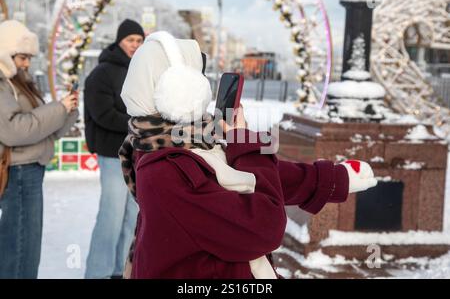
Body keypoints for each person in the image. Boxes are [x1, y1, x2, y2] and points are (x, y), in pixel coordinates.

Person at [118, 31, 378, 279]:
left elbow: (243, 177)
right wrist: (243, 140)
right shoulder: (166, 171)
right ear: (180, 92)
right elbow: (264, 226)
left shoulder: (172, 143)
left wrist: (330, 178)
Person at [0, 20, 79, 279]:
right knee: (20, 248)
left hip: (31, 170)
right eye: (22, 57)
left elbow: (44, 131)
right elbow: (15, 131)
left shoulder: (21, 83)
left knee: (27, 247)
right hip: (18, 172)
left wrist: (68, 110)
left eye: (29, 58)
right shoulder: (2, 85)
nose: (26, 63)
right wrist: (58, 109)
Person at [84, 19, 145, 279]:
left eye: (139, 41)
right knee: (111, 216)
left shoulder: (138, 71)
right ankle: (98, 272)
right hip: (111, 154)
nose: (135, 45)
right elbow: (102, 114)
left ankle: (121, 270)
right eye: (131, 40)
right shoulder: (103, 72)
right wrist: (137, 124)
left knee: (131, 216)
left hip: (134, 153)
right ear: (119, 41)